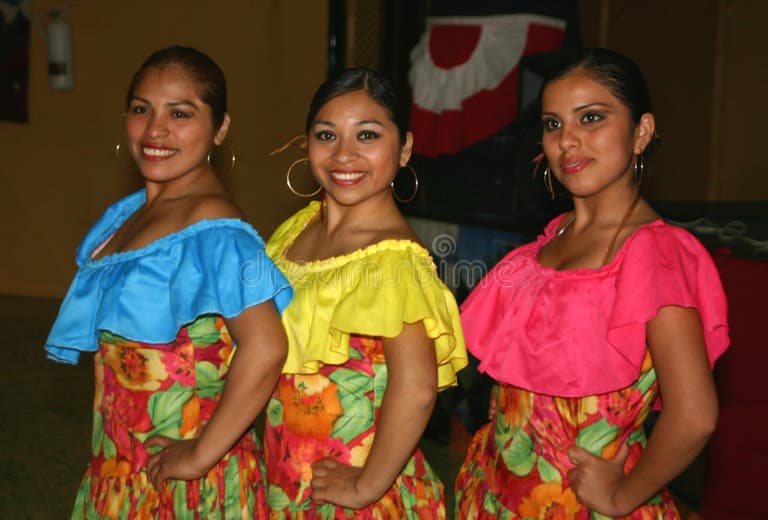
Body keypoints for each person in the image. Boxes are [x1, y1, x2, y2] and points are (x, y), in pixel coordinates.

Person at [454, 48, 730, 518]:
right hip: (495, 496)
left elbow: (695, 415)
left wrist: (622, 495)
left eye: (592, 118)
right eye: (554, 124)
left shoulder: (654, 254)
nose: (568, 142)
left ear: (641, 132)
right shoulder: (545, 243)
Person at [44, 45, 292, 518]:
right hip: (119, 467)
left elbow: (267, 347)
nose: (155, 130)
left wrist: (199, 456)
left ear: (220, 128)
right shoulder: (129, 215)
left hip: (182, 484)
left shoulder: (216, 228)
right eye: (142, 110)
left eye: (180, 113)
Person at [263, 67, 469, 518]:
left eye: (368, 136)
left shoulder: (393, 260)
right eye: (326, 135)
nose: (344, 155)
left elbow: (416, 389)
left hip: (349, 487)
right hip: (284, 470)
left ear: (405, 148)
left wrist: (364, 486)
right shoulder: (295, 231)